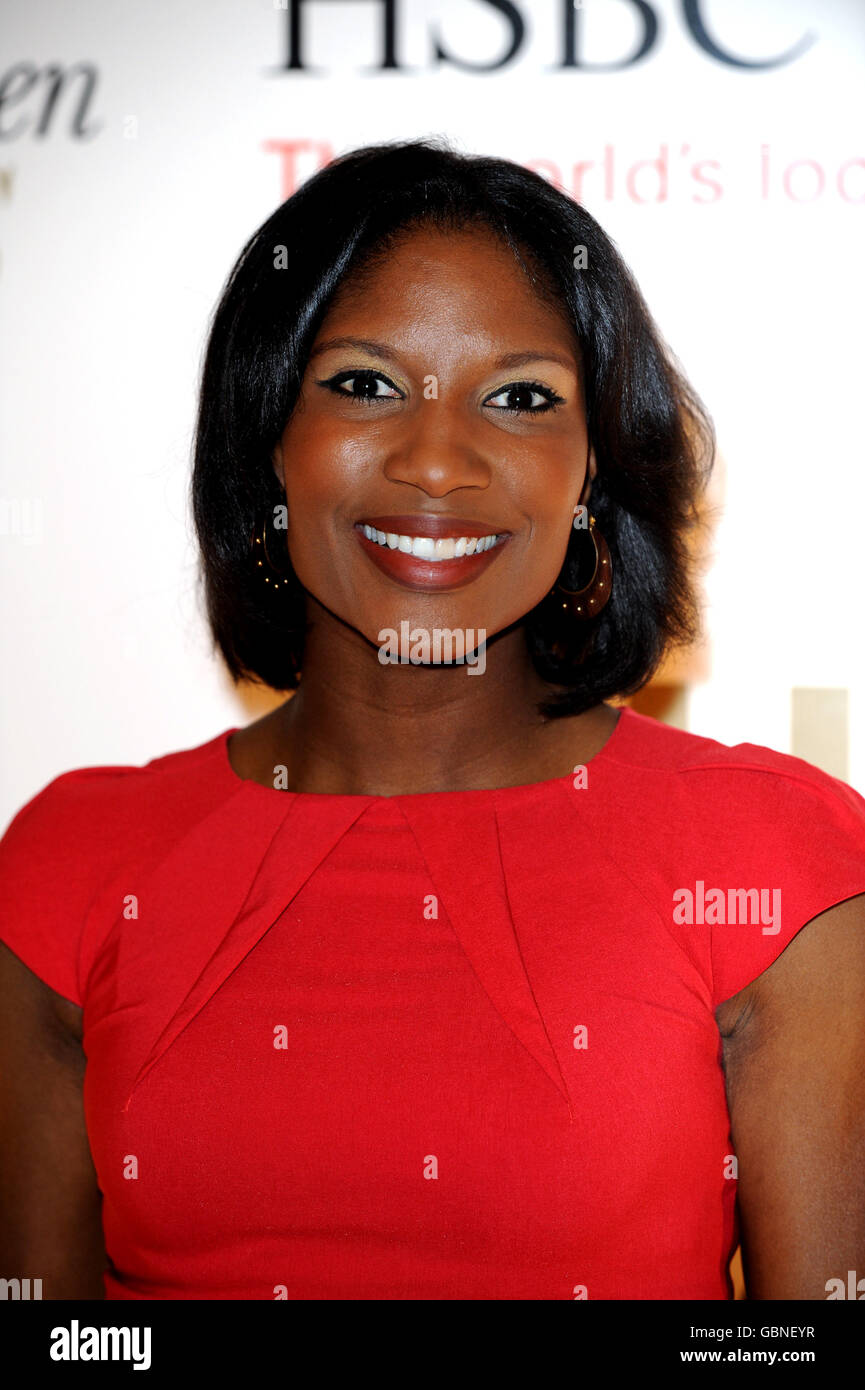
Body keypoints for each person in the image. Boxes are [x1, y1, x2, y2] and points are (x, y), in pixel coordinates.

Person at [1, 139, 863, 1301]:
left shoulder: (772, 860)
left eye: (521, 398)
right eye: (363, 384)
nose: (438, 460)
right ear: (268, 442)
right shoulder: (73, 864)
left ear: (590, 477)